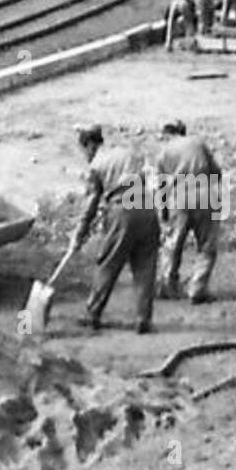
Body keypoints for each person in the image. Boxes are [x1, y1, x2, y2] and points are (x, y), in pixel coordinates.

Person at [69, 125, 159, 334]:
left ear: (89, 145)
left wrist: (79, 234)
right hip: (147, 209)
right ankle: (143, 318)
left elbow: (91, 203)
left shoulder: (97, 165)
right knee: (145, 266)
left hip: (123, 211)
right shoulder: (128, 154)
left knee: (109, 262)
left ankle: (92, 313)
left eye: (84, 151)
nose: (85, 156)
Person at [154, 120, 221, 304]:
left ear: (168, 134)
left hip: (179, 197)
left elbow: (161, 186)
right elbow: (217, 173)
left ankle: (168, 286)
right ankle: (198, 288)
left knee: (173, 244)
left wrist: (163, 211)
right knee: (207, 245)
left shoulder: (163, 153)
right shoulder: (198, 143)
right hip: (206, 194)